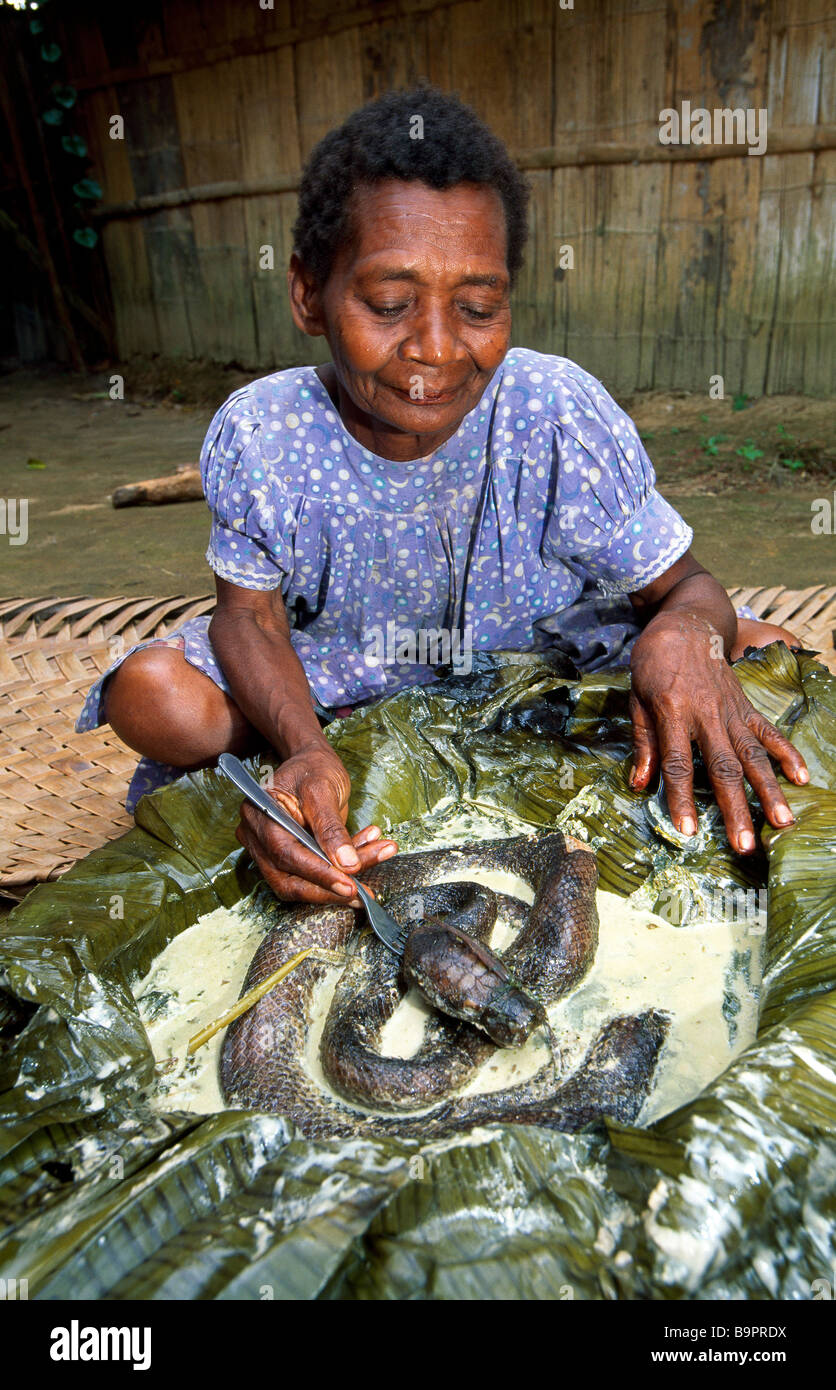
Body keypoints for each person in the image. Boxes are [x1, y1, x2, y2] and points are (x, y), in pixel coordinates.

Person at [76, 84, 807, 906]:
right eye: (389, 304)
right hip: (347, 663)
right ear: (308, 295)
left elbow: (686, 584)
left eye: (478, 307)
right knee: (154, 697)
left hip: (536, 651)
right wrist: (303, 747)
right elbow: (247, 617)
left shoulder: (552, 409)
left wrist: (684, 635)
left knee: (754, 649)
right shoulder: (265, 431)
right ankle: (335, 736)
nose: (434, 348)